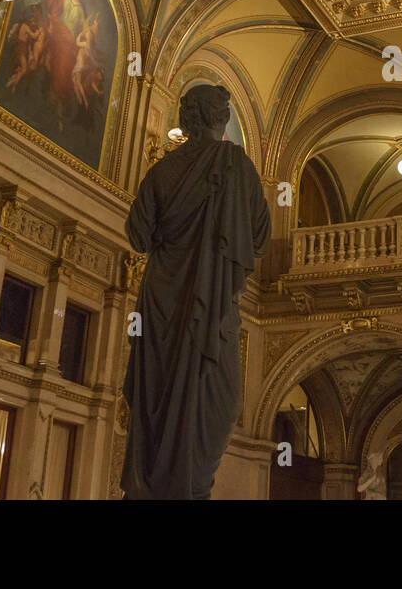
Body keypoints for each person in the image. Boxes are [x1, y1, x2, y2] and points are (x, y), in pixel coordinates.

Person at [121, 85, 271, 499]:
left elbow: (137, 235)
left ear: (188, 120)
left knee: (166, 399)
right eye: (223, 112)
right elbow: (260, 235)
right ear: (215, 118)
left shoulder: (160, 171)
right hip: (208, 302)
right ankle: (187, 491)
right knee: (220, 403)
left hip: (162, 299)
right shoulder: (234, 164)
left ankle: (163, 488)